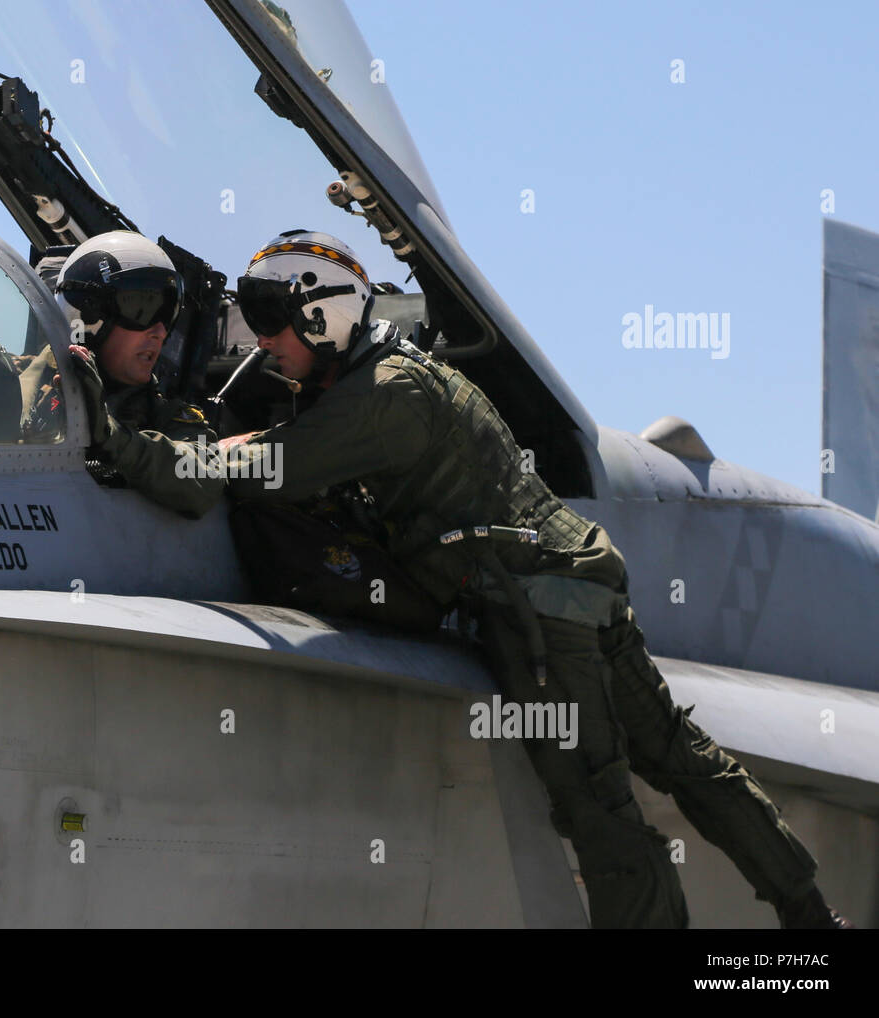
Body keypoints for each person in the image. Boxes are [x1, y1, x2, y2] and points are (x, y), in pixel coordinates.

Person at [220, 229, 850, 929]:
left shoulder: (383, 393)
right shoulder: (405, 371)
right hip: (577, 579)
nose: (260, 341)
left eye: (273, 321)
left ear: (320, 312)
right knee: (682, 758)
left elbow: (271, 470)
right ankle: (813, 919)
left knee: (596, 804)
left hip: (538, 608)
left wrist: (162, 455)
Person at [52, 231, 223, 518]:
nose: (160, 332)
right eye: (141, 309)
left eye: (167, 314)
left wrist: (111, 437)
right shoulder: (17, 385)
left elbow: (203, 481)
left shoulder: (169, 417)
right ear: (88, 312)